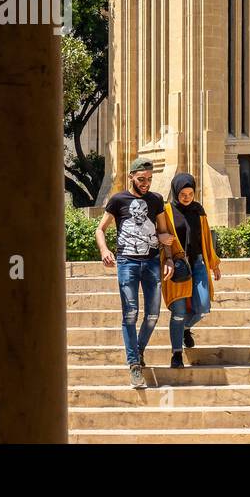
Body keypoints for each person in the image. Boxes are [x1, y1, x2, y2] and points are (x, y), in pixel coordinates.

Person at [97, 157, 172, 389]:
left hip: (151, 263)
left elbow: (164, 231)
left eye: (149, 180)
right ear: (131, 176)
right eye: (141, 179)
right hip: (127, 262)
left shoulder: (156, 200)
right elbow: (100, 229)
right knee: (130, 314)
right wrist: (104, 250)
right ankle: (134, 365)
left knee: (152, 315)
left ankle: (137, 351)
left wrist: (168, 257)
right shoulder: (118, 200)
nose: (146, 184)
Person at [159, 172, 222, 369]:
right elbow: (159, 235)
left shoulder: (199, 211)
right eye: (183, 194)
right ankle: (176, 354)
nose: (186, 197)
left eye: (190, 193)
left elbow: (206, 240)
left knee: (203, 307)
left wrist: (214, 263)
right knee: (178, 312)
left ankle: (185, 328)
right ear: (176, 192)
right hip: (177, 264)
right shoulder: (166, 211)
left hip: (197, 262)